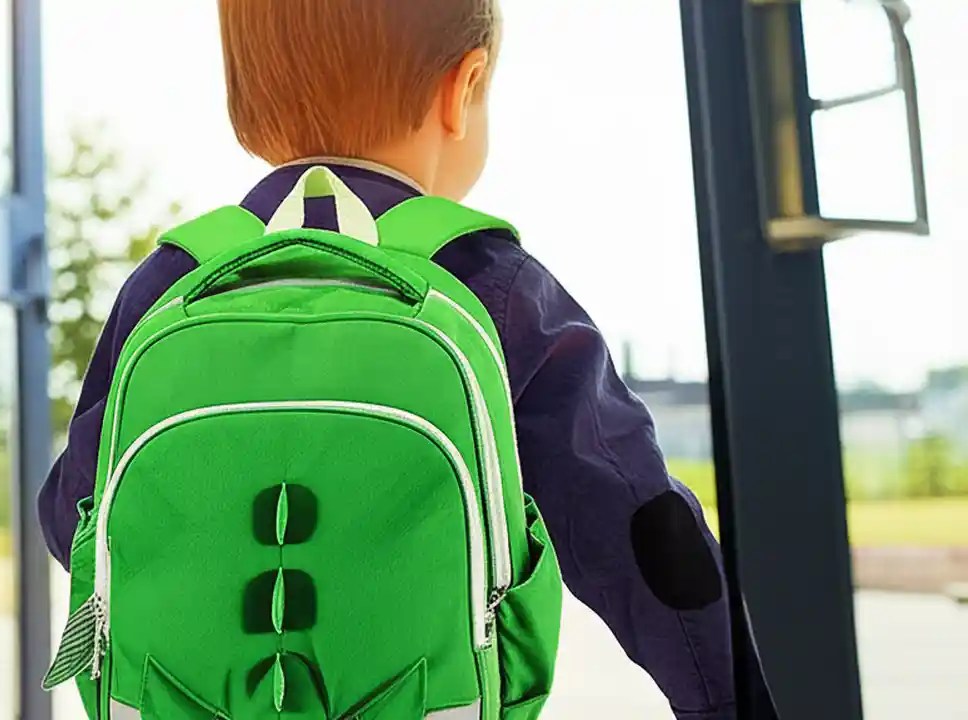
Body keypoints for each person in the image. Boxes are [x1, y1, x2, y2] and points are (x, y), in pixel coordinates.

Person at [41, 1, 753, 717]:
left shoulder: (172, 282)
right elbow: (641, 529)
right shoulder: (491, 284)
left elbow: (69, 514)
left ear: (244, 100)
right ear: (464, 87)